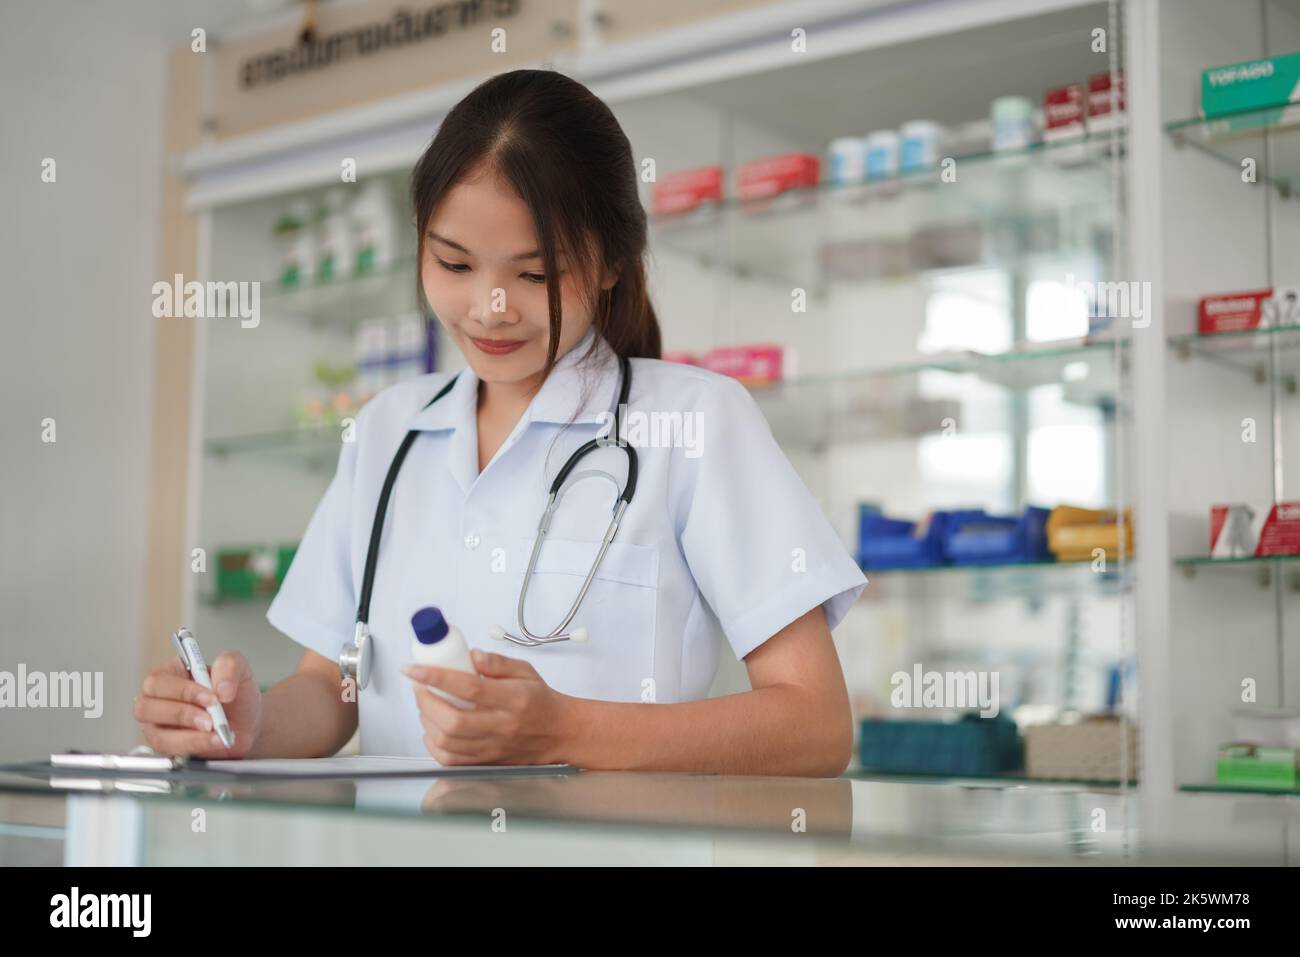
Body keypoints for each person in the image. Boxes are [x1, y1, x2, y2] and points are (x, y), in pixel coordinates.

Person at [134, 69, 867, 776]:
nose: (490, 307)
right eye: (454, 264)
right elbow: (335, 690)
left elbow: (814, 724)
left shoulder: (695, 421)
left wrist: (564, 730)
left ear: (612, 261)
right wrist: (247, 726)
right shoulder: (390, 432)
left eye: (535, 274)